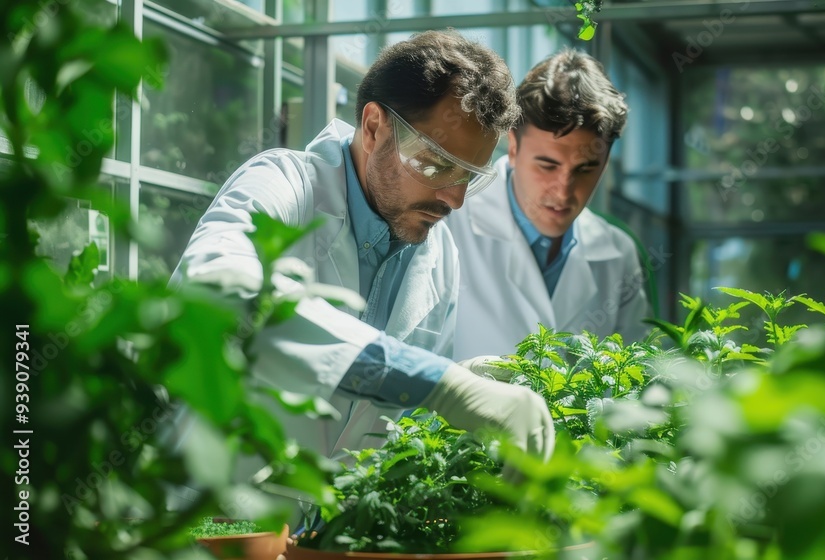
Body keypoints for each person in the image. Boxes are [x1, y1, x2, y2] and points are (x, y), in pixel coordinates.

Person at [169, 31, 554, 484]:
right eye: (436, 164)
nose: (454, 200)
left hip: (335, 522)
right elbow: (214, 288)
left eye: (469, 177)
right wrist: (437, 383)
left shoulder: (440, 255)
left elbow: (395, 431)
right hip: (212, 508)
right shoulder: (283, 183)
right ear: (373, 127)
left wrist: (452, 388)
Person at [446, 49, 651, 361]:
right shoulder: (448, 227)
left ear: (606, 161)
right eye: (547, 165)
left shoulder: (618, 254)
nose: (563, 191)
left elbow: (636, 370)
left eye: (585, 169)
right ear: (513, 147)